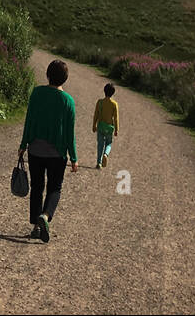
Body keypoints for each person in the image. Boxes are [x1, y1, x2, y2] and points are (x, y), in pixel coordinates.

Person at [17, 58, 78, 241]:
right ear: (65, 79)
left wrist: (23, 145)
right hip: (57, 154)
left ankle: (36, 225)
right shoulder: (68, 101)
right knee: (55, 188)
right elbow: (69, 133)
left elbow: (29, 121)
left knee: (37, 187)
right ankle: (45, 216)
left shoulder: (37, 93)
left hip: (35, 149)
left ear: (47, 75)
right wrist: (74, 158)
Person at [93, 82, 119, 168]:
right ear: (113, 93)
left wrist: (94, 125)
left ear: (104, 91)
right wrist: (116, 130)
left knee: (100, 144)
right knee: (108, 143)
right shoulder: (114, 104)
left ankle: (99, 163)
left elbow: (96, 114)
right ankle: (106, 154)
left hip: (100, 126)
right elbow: (116, 118)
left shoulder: (100, 102)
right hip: (109, 127)